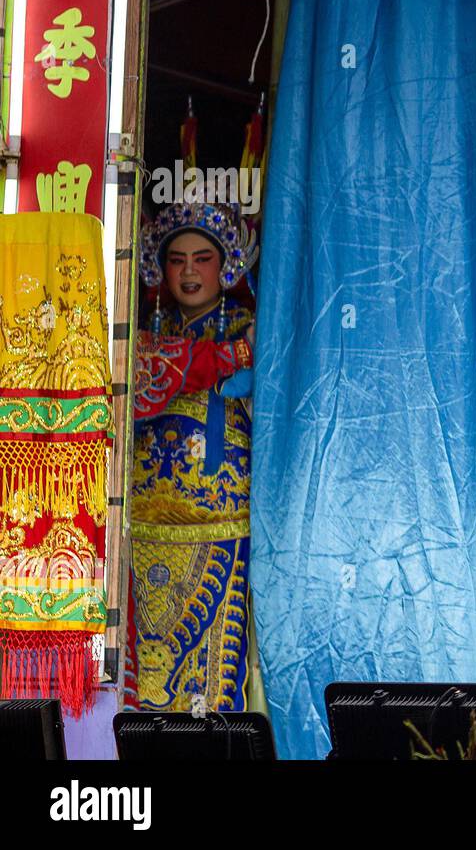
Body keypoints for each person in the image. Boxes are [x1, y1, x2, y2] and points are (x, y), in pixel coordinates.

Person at [126, 199, 262, 713]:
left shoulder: (254, 326)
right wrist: (227, 360)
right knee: (148, 675)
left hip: (220, 527)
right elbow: (144, 372)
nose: (187, 272)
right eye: (177, 259)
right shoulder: (143, 334)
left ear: (224, 265)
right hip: (144, 529)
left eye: (201, 258)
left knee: (211, 674)